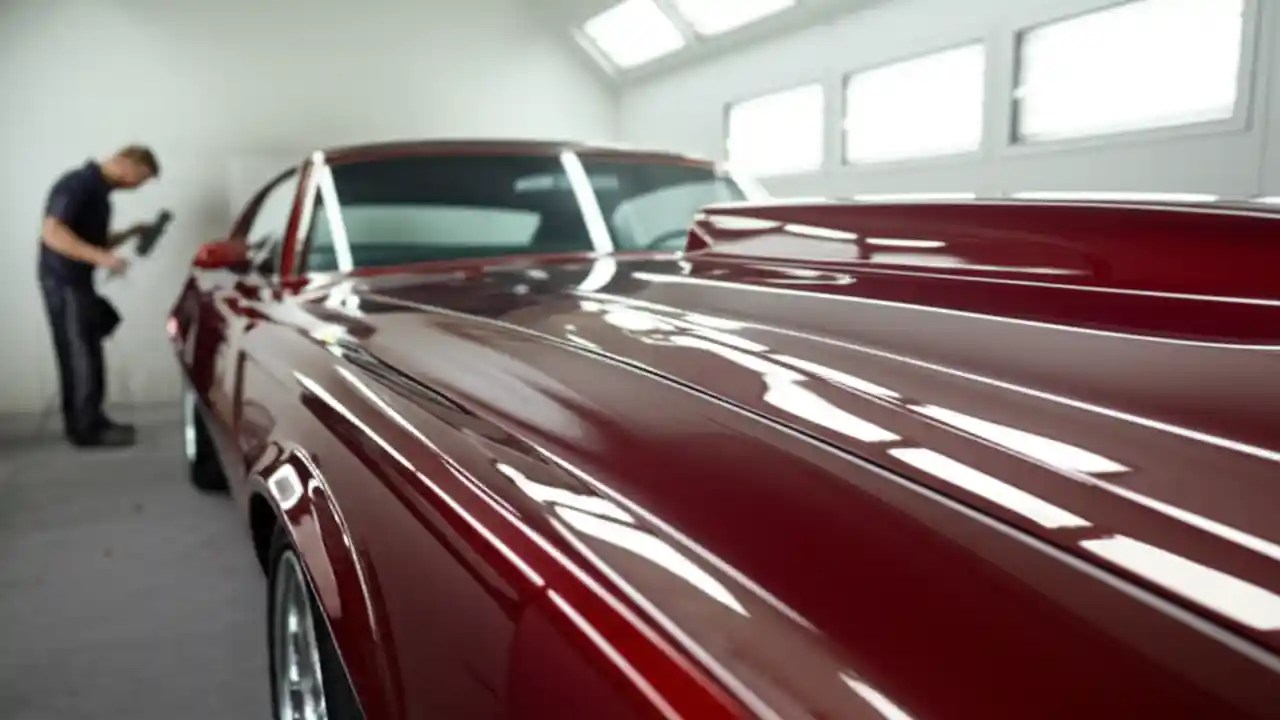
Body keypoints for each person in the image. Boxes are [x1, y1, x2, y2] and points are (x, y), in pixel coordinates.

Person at [38, 145, 160, 448]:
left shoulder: (99, 194)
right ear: (125, 162)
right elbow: (53, 232)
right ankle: (86, 429)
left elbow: (94, 240)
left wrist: (131, 233)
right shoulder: (76, 184)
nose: (136, 187)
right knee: (80, 352)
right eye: (139, 179)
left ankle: (91, 418)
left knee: (89, 345)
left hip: (78, 282)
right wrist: (101, 259)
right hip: (63, 282)